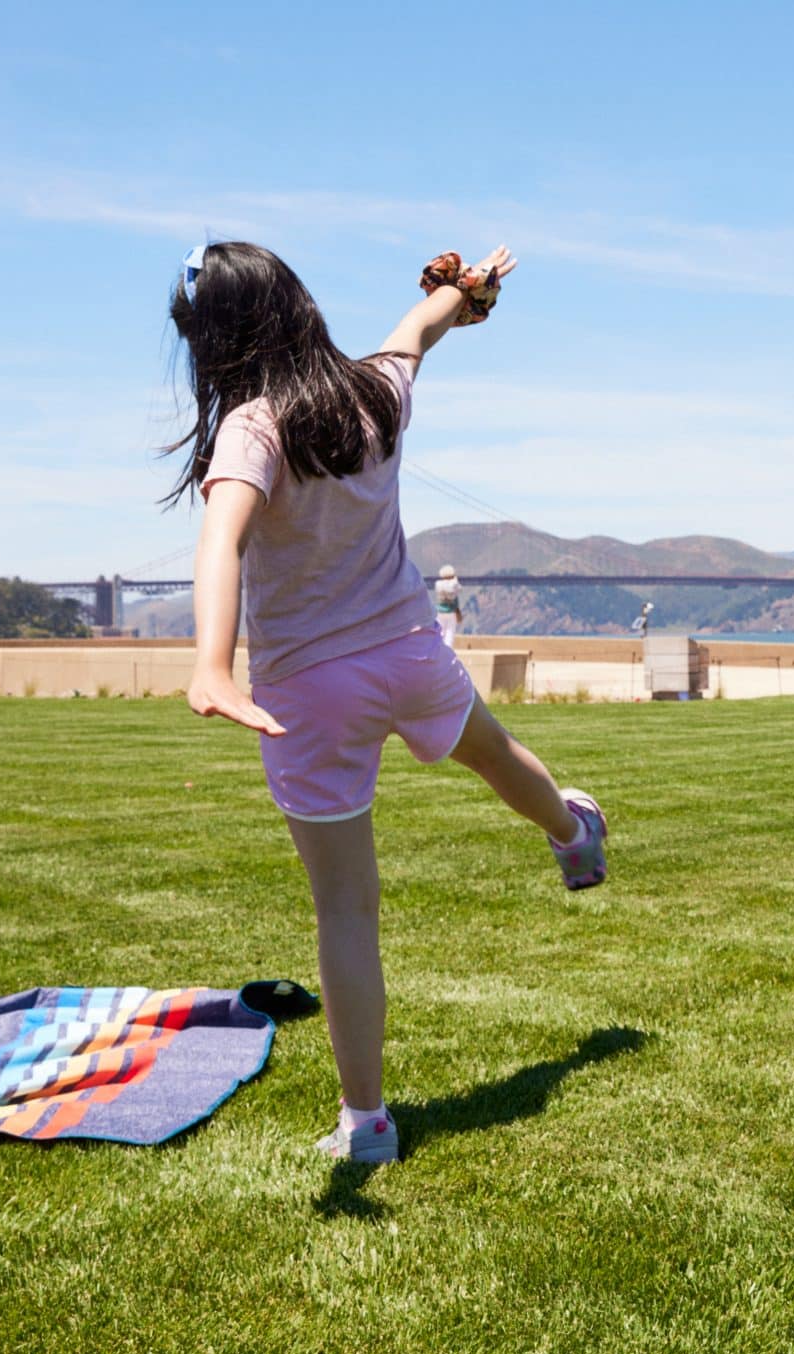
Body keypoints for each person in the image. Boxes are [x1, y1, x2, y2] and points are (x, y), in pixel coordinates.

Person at [168, 240, 608, 1163]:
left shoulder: (250, 427)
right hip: (409, 652)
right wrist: (466, 290)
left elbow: (220, 541)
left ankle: (365, 1124)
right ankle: (572, 836)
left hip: (307, 690)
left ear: (224, 336)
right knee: (494, 756)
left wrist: (212, 664)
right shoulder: (374, 392)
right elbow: (423, 326)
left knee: (347, 911)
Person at [432, 564, 464, 645]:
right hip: (451, 611)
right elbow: (460, 589)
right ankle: (448, 651)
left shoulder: (438, 584)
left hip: (440, 611)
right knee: (450, 632)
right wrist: (455, 580)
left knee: (440, 632)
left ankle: (439, 649)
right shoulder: (454, 584)